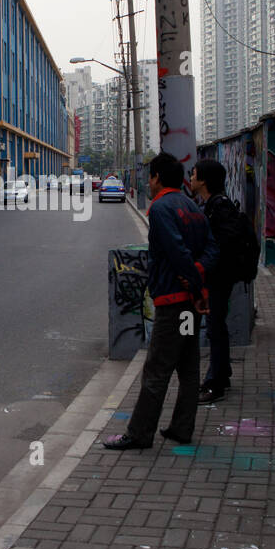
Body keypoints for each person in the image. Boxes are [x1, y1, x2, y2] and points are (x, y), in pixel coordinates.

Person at [103, 152, 219, 450]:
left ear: (155, 178)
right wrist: (198, 279)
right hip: (190, 305)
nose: (148, 181)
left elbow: (176, 250)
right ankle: (182, 428)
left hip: (172, 303)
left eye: (150, 177)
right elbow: (211, 249)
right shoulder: (193, 207)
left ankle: (139, 434)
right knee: (188, 368)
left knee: (157, 370)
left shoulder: (161, 208)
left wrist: (190, 276)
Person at [191, 159, 242, 402]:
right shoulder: (212, 204)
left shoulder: (219, 207)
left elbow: (222, 246)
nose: (190, 179)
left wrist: (207, 270)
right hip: (218, 277)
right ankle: (222, 373)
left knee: (215, 328)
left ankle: (216, 383)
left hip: (218, 279)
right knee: (216, 327)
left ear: (203, 180)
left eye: (193, 175)